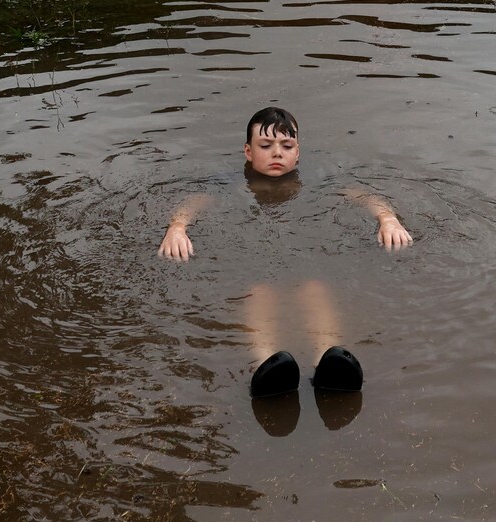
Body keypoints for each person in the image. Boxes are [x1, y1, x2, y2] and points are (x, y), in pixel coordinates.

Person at [158, 106, 413, 399]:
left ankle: (328, 361)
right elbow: (196, 200)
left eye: (286, 146)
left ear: (298, 153)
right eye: (265, 146)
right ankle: (265, 365)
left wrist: (387, 218)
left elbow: (361, 194)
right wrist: (178, 226)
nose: (277, 153)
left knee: (314, 288)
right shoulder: (231, 180)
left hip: (304, 251)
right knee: (260, 291)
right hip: (252, 255)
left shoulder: (320, 174)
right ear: (248, 151)